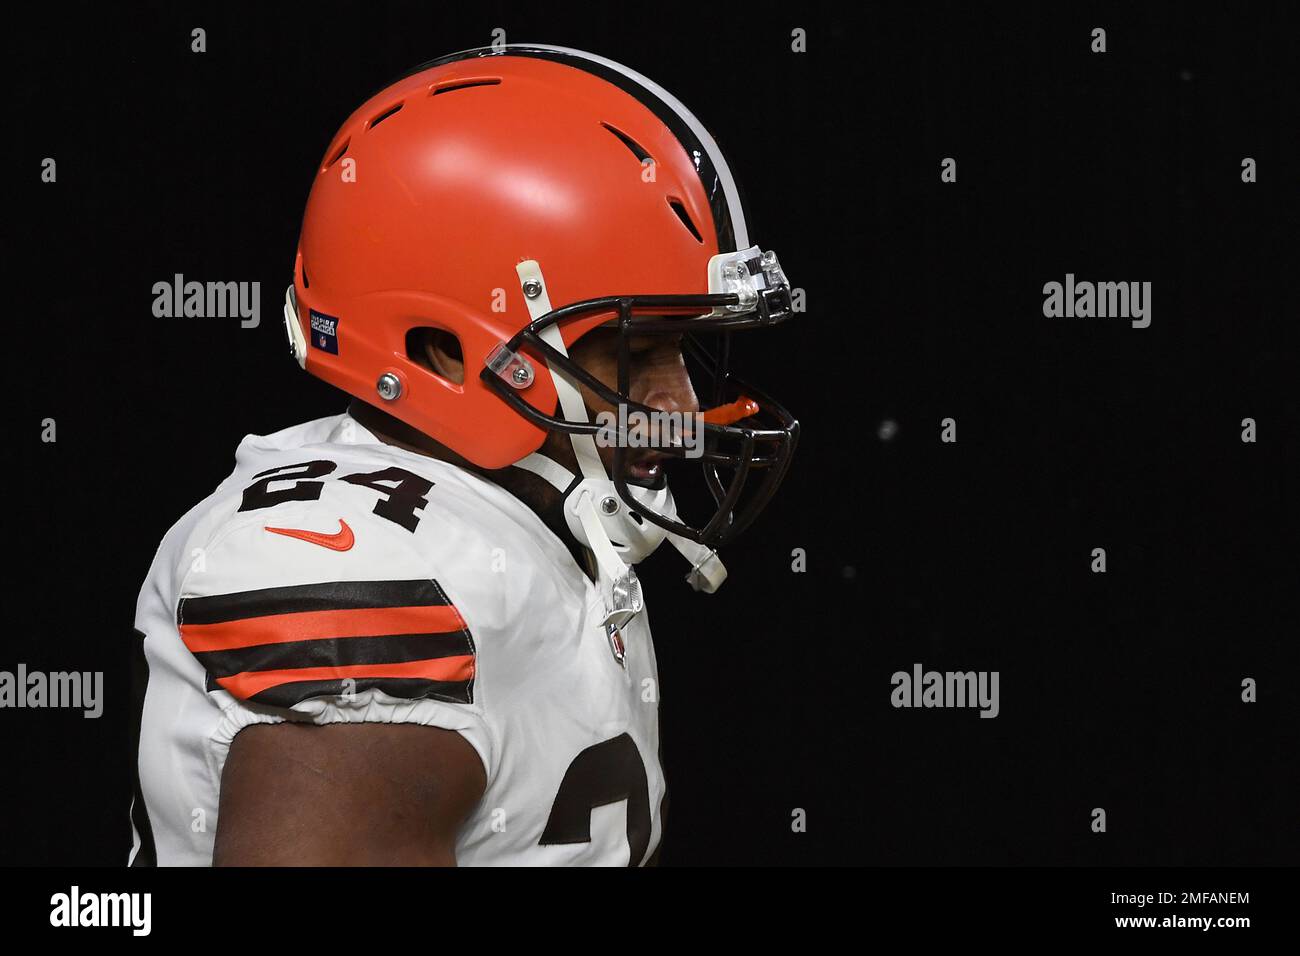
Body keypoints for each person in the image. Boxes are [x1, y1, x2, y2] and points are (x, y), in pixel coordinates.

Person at [130, 45, 800, 866]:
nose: (679, 407)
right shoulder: (366, 565)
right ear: (444, 350)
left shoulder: (526, 508)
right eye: (632, 355)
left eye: (682, 350)